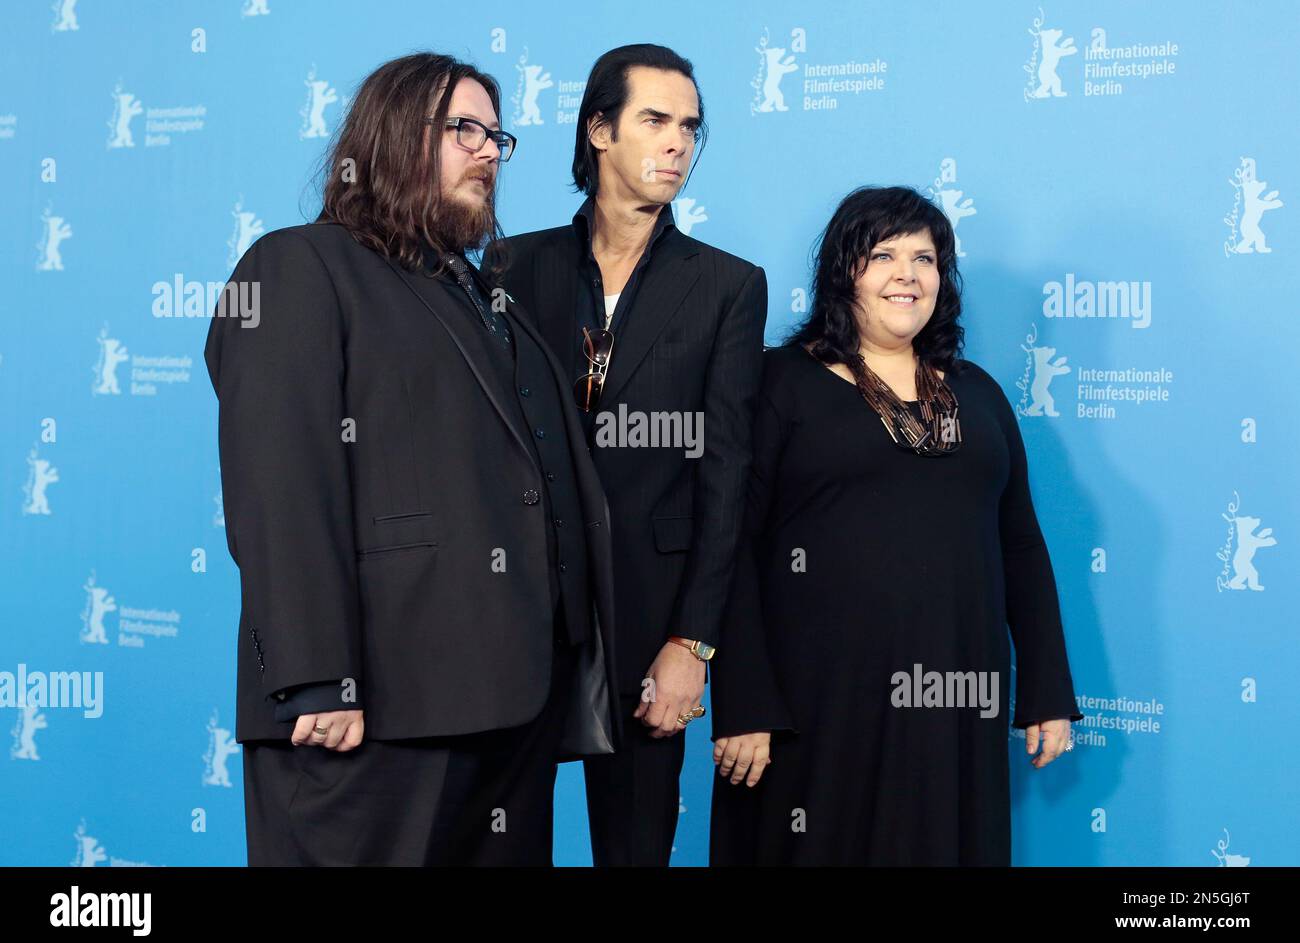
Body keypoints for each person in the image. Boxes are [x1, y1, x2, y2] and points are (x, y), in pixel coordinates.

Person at [203, 52, 620, 866]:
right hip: (373, 709)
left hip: (511, 709)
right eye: (462, 128)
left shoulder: (479, 295)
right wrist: (318, 676)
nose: (488, 151)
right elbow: (280, 482)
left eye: (497, 134)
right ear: (390, 136)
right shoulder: (299, 266)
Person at [708, 186, 1083, 865]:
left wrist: (1047, 691)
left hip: (954, 701)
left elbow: (1021, 544)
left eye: (925, 257)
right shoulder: (779, 384)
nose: (907, 275)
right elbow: (730, 548)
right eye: (882, 255)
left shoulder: (978, 392)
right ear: (841, 273)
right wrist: (744, 702)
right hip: (814, 706)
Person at [483, 44, 767, 866]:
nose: (677, 143)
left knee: (637, 848)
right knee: (503, 844)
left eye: (690, 127)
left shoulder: (727, 285)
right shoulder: (510, 265)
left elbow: (726, 480)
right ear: (600, 129)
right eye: (655, 120)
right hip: (524, 615)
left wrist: (694, 644)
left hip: (654, 622)